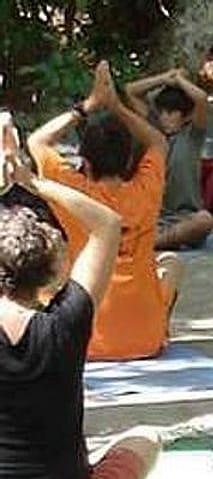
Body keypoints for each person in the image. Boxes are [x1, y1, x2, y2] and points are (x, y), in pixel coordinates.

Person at [0, 113, 160, 479]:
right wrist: (34, 183)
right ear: (51, 272)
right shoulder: (68, 318)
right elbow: (107, 224)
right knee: (144, 437)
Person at [27, 60, 183, 361]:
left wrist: (88, 105)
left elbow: (37, 141)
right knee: (172, 264)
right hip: (145, 341)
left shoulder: (74, 192)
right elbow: (158, 141)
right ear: (128, 163)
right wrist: (116, 106)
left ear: (85, 164)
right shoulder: (144, 191)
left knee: (47, 273)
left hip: (86, 343)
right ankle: (163, 327)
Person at [125, 66, 213, 250]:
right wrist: (166, 78)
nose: (166, 118)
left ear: (186, 116)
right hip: (148, 216)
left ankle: (150, 243)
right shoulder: (153, 130)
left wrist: (181, 80)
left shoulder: (191, 135)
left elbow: (201, 99)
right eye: (163, 112)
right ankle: (145, 239)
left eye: (172, 113)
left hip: (183, 218)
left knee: (205, 220)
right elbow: (130, 91)